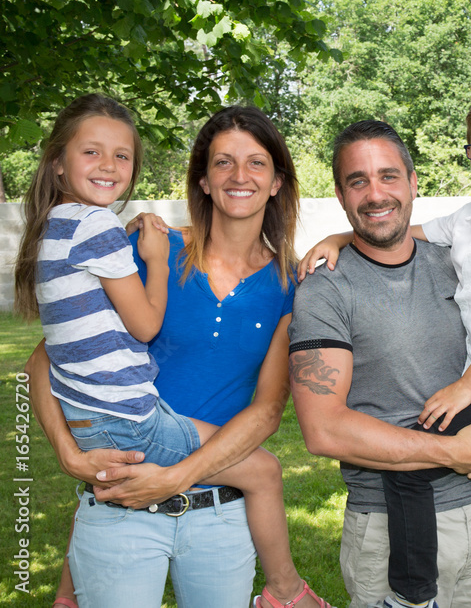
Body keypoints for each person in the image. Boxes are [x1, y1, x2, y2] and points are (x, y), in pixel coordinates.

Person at [24, 104, 330, 608]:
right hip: (122, 501)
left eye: (256, 163)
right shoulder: (151, 250)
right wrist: (67, 451)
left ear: (277, 181)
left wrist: (175, 477)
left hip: (220, 512)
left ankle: (284, 591)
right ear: (204, 180)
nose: (239, 176)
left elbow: (268, 410)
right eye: (222, 162)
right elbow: (47, 356)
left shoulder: (288, 284)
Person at [298, 90, 471, 607]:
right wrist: (338, 238)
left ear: (414, 183)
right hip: (385, 523)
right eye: (358, 181)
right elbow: (321, 428)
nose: (375, 193)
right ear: (340, 193)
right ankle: (413, 592)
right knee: (407, 467)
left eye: (389, 176)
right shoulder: (330, 286)